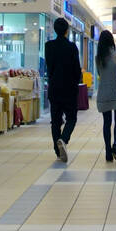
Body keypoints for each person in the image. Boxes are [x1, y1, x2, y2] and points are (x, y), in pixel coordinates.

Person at [44, 17, 82, 163]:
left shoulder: (48, 46)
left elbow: (50, 68)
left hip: (54, 88)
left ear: (55, 30)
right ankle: (63, 140)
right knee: (71, 118)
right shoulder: (72, 47)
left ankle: (57, 150)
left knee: (55, 121)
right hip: (69, 89)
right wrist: (76, 82)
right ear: (67, 31)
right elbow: (76, 70)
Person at [94, 30, 116, 162]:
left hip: (103, 94)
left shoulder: (98, 58)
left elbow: (99, 74)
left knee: (106, 123)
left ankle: (108, 151)